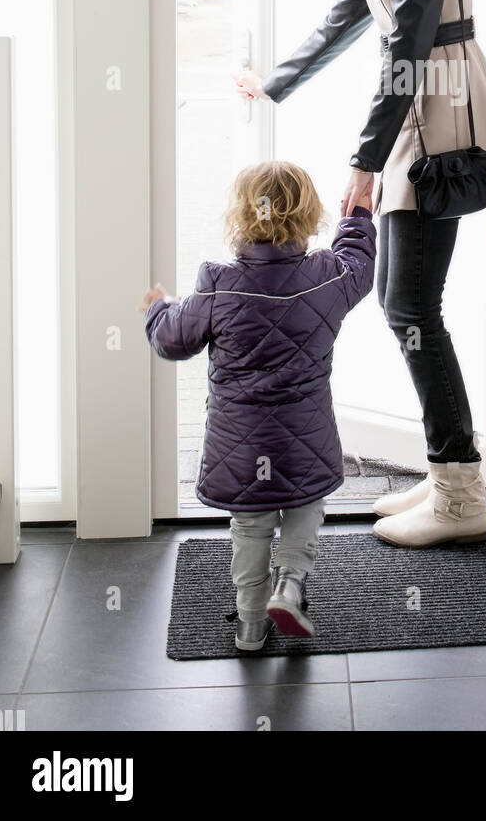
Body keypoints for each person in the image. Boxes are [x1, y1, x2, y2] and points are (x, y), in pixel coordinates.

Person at [234, 0, 486, 549]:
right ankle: (449, 473)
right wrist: (276, 82)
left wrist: (364, 162)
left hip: (438, 117)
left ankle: (462, 494)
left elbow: (407, 41)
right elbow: (347, 16)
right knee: (406, 307)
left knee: (410, 309)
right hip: (419, 108)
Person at [140, 160, 375, 651]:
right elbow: (359, 263)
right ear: (310, 216)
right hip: (306, 437)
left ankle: (250, 623)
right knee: (307, 505)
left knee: (250, 526)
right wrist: (357, 215)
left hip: (240, 446)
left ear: (241, 215)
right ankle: (290, 583)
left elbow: (171, 341)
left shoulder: (219, 284)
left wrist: (159, 307)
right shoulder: (328, 278)